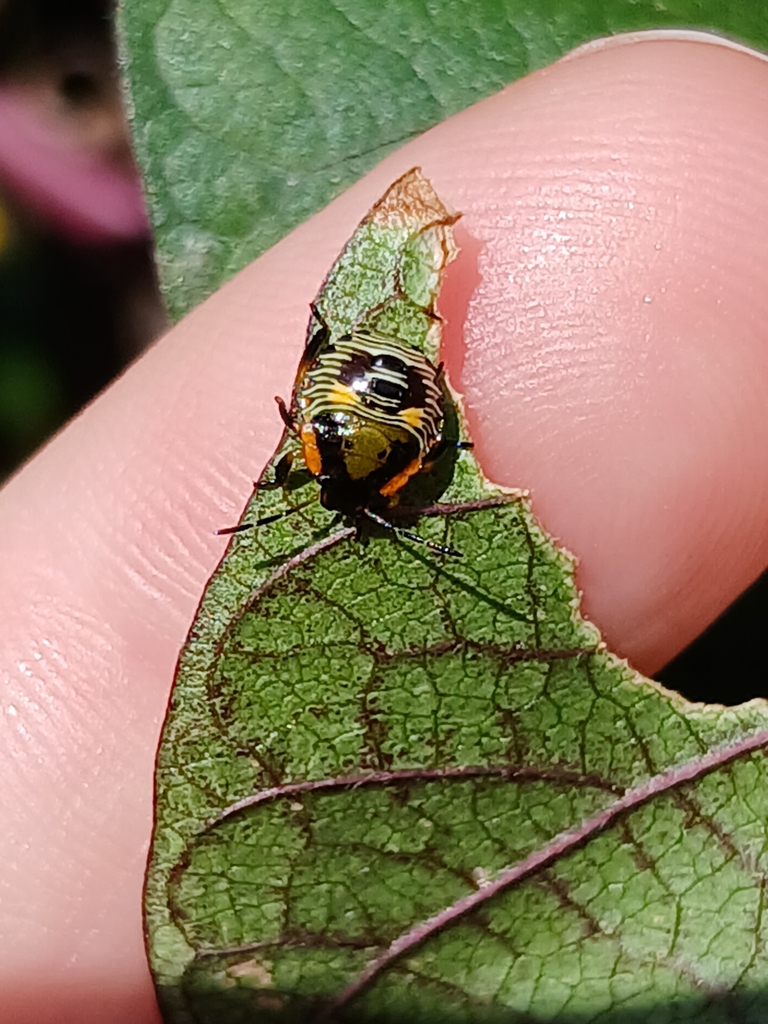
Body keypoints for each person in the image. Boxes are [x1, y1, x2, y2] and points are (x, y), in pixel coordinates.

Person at [1, 32, 767, 1024]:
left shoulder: (326, 454)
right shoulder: (329, 454)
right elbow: (356, 429)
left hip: (375, 395)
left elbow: (354, 429)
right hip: (374, 393)